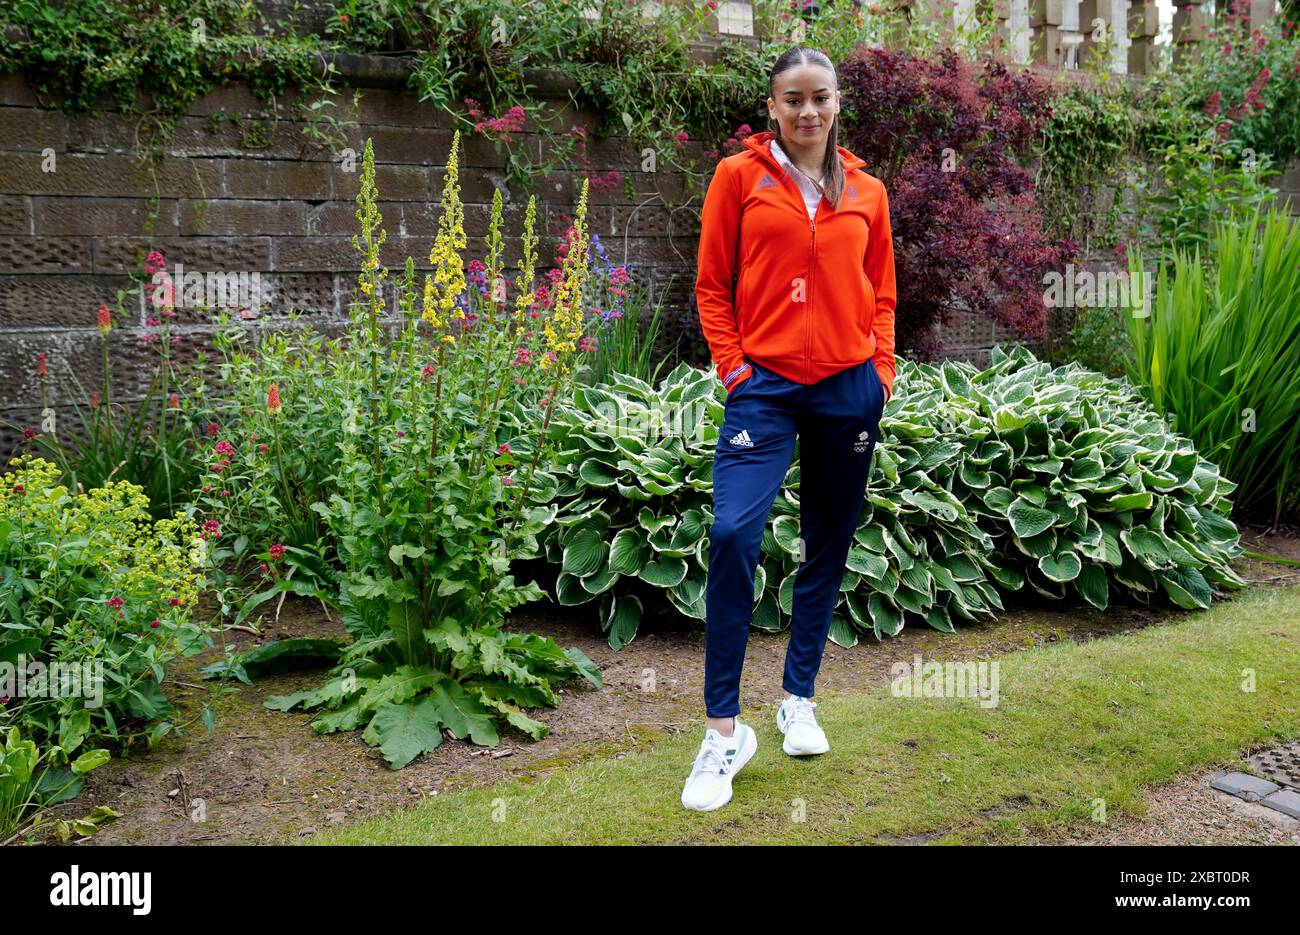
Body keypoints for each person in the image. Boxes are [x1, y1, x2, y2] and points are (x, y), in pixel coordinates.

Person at [682, 46, 897, 812]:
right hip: (763, 391)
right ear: (772, 107)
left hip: (846, 391)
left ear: (838, 103)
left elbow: (882, 296)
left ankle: (797, 697)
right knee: (735, 533)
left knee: (826, 539)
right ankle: (723, 732)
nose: (808, 111)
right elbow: (712, 285)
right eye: (793, 99)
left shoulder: (867, 190)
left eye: (821, 97)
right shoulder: (738, 179)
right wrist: (737, 371)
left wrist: (879, 375)